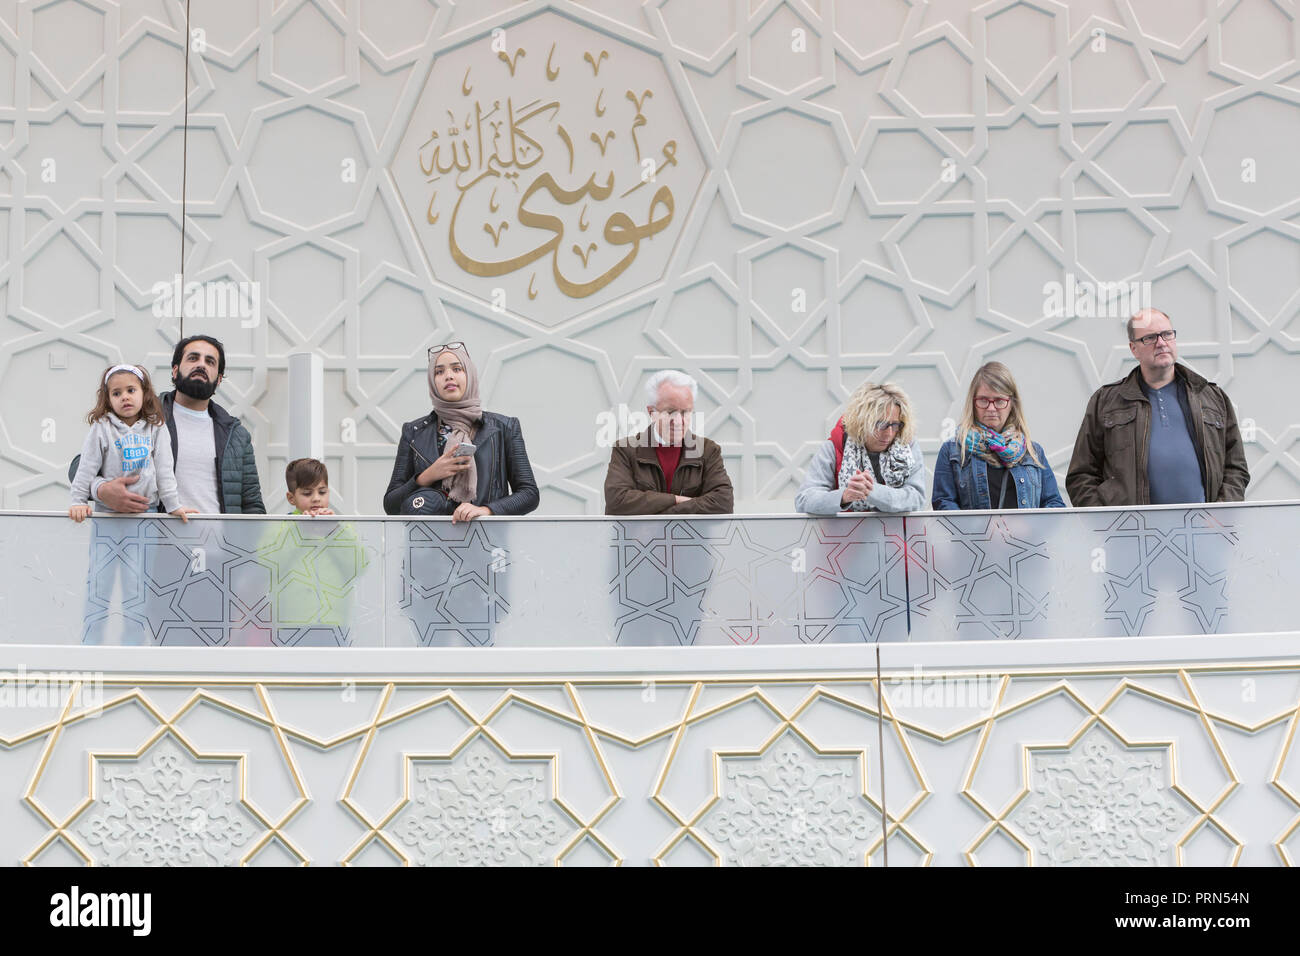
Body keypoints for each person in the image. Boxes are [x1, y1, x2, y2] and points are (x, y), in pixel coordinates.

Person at [1066, 308, 1250, 506]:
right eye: (1150, 338)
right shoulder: (1106, 401)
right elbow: (1081, 475)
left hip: (1203, 531)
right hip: (1132, 533)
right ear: (1133, 348)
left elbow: (1236, 468)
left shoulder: (1212, 396)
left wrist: (1221, 514)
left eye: (1167, 334)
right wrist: (1108, 525)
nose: (1161, 343)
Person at [85, 335, 265, 514]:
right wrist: (101, 490)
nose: (201, 365)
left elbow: (252, 504)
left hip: (218, 543)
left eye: (210, 362)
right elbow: (82, 464)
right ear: (175, 370)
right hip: (153, 539)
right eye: (193, 358)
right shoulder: (142, 417)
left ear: (218, 380)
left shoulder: (236, 435)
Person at [383, 342, 539, 520]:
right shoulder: (413, 432)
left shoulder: (505, 427)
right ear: (432, 382)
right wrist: (427, 476)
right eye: (439, 372)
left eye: (457, 369)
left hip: (489, 542)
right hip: (428, 543)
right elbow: (391, 505)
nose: (448, 376)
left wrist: (486, 510)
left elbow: (529, 494)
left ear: (470, 375)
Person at [68, 364, 196, 523]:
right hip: (108, 513)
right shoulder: (102, 427)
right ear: (108, 399)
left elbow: (164, 470)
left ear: (144, 393)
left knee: (144, 549)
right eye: (116, 393)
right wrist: (78, 502)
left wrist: (173, 505)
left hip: (147, 512)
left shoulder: (156, 427)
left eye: (131, 390)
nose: (125, 397)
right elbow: (86, 467)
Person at [931, 362, 1065, 510]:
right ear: (973, 402)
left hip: (1026, 534)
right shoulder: (953, 450)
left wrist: (1030, 528)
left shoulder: (1032, 452)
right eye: (983, 400)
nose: (991, 408)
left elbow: (1054, 505)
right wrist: (975, 531)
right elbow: (944, 504)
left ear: (1012, 403)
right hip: (976, 534)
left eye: (999, 401)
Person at [604, 370, 734, 515]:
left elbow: (723, 502)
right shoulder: (625, 450)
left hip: (692, 538)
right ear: (651, 412)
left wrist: (660, 512)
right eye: (670, 412)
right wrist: (676, 499)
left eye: (685, 412)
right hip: (640, 538)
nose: (678, 421)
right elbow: (616, 501)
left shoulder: (708, 450)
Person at [795, 381, 926, 514]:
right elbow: (804, 500)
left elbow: (917, 499)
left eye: (895, 424)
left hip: (896, 534)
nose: (889, 433)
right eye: (881, 425)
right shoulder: (835, 447)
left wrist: (873, 491)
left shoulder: (907, 446)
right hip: (843, 533)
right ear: (862, 423)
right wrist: (844, 496)